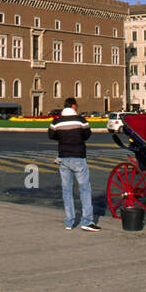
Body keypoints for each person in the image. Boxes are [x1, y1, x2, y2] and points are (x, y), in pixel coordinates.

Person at [49, 97, 98, 231]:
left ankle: (69, 222)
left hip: (63, 157)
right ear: (74, 106)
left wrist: (63, 137)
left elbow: (51, 135)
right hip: (79, 157)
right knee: (84, 189)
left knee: (67, 191)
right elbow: (87, 134)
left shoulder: (56, 122)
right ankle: (87, 221)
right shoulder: (81, 121)